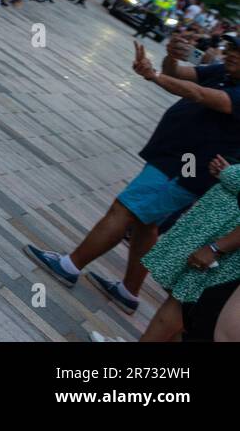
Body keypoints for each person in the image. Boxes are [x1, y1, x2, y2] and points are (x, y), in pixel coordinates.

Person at [27, 34, 240, 318]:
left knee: (125, 209)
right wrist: (171, 57)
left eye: (239, 50)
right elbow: (179, 72)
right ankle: (129, 291)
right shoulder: (223, 71)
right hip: (174, 156)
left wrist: (153, 76)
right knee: (145, 224)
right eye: (232, 47)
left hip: (186, 165)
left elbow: (198, 93)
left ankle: (70, 266)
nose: (231, 53)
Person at [137, 154, 240, 341]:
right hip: (223, 240)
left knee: (182, 304)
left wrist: (216, 248)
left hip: (227, 247)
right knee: (186, 309)